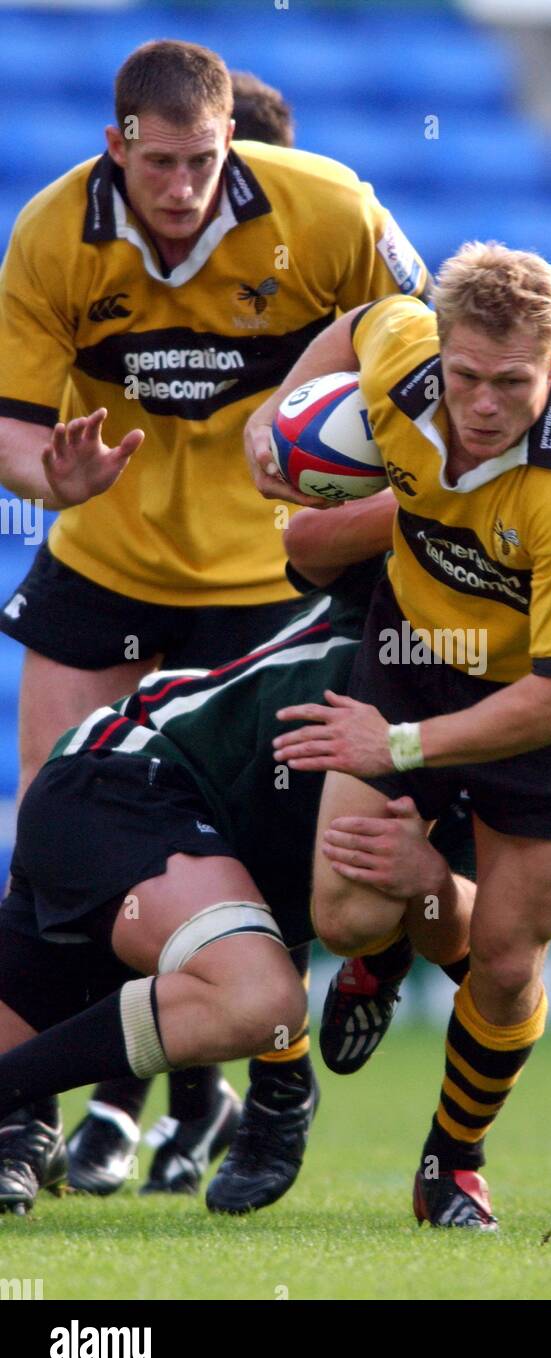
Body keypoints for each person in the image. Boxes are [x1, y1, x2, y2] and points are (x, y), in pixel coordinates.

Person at [0, 39, 429, 1194]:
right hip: (105, 557)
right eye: (161, 165)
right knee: (60, 843)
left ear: (228, 143)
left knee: (251, 851)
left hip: (262, 576)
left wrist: (369, 481)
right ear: (116, 145)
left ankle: (238, 1086)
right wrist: (51, 479)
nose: (183, 187)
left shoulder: (329, 209)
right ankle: (41, 1115)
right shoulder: (48, 236)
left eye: (204, 161)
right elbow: (13, 428)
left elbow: (424, 354)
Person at [247, 240, 551, 1229]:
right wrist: (271, 413)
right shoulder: (403, 354)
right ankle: (387, 945)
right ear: (441, 348)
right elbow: (355, 321)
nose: (477, 402)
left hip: (548, 694)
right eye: (463, 374)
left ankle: (450, 1164)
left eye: (510, 382)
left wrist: (404, 751)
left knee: (507, 961)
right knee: (341, 916)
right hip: (416, 649)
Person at [0, 556, 475, 1216]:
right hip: (128, 776)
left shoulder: (523, 752)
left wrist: (437, 888)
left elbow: (495, 958)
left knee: (258, 988)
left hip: (176, 850)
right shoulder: (401, 597)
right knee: (258, 998)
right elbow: (316, 527)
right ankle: (36, 1112)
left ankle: (207, 1101)